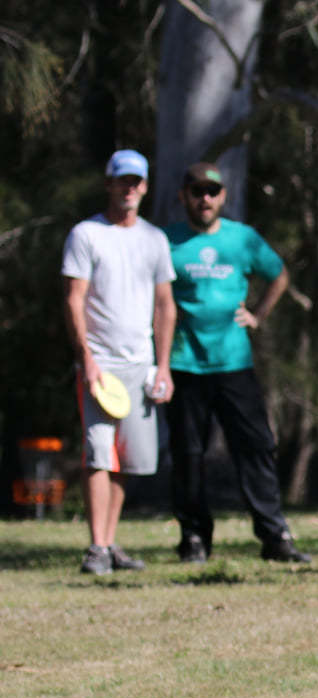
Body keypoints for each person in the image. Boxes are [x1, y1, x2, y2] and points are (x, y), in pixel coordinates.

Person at [164, 161, 308, 564]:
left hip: (233, 364)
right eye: (197, 191)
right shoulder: (167, 241)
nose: (205, 198)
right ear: (184, 196)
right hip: (183, 363)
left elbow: (278, 275)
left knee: (257, 446)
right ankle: (194, 538)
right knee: (189, 454)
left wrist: (258, 315)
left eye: (212, 191)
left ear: (223, 196)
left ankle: (274, 535)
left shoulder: (242, 238)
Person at [62, 149, 176, 576]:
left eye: (136, 181)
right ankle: (96, 547)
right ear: (108, 184)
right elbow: (74, 300)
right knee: (97, 453)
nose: (129, 188)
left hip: (140, 364)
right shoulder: (86, 235)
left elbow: (165, 306)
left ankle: (109, 544)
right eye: (121, 180)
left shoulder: (154, 240)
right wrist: (87, 359)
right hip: (100, 365)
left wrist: (161, 366)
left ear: (144, 187)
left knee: (128, 459)